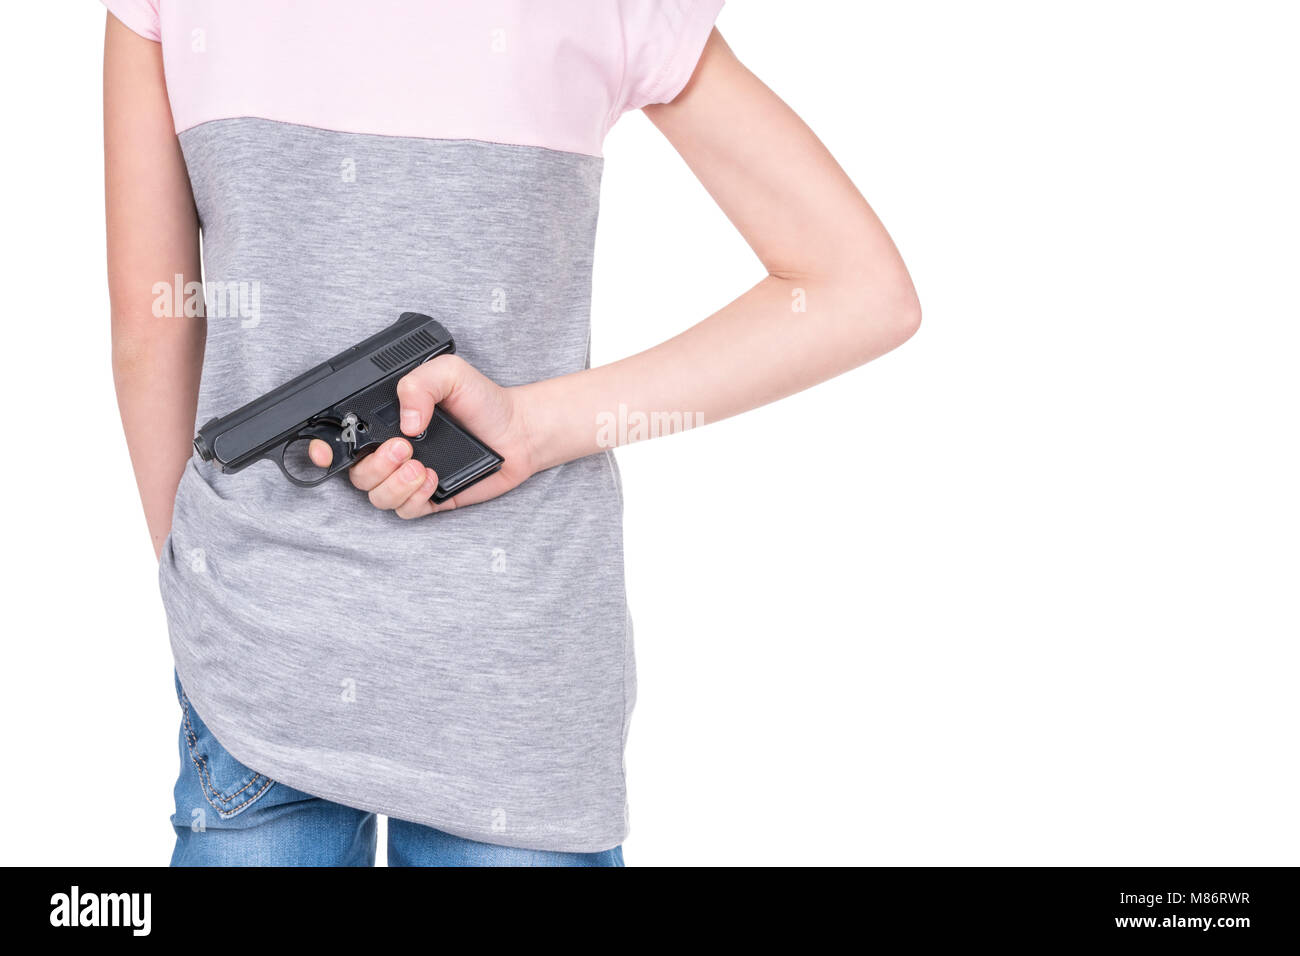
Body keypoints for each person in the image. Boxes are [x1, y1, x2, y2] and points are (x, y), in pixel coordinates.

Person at [104, 0, 920, 867]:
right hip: (515, 674)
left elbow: (151, 329)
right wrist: (535, 426)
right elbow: (856, 287)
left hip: (260, 654)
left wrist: (202, 589)